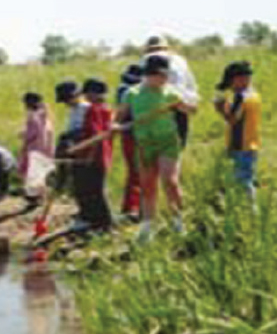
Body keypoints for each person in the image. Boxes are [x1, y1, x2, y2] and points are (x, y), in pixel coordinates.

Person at [119, 56, 197, 240]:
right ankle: (147, 226)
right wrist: (117, 126)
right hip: (145, 143)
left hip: (167, 141)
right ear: (149, 75)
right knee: (147, 185)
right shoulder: (131, 93)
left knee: (169, 181)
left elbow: (190, 110)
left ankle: (178, 222)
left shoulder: (171, 93)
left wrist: (188, 106)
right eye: (160, 76)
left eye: (165, 76)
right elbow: (119, 116)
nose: (164, 80)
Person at [139, 35, 199, 148]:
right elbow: (191, 84)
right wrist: (192, 103)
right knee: (178, 145)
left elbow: (139, 86)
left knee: (156, 148)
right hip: (180, 104)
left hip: (155, 106)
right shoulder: (180, 60)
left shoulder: (145, 60)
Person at [213, 61, 261, 200]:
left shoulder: (241, 97)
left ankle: (250, 212)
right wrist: (228, 105)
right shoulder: (253, 95)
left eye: (230, 84)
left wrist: (221, 108)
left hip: (241, 147)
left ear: (239, 79)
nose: (231, 89)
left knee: (243, 182)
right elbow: (241, 115)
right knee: (245, 178)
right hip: (251, 144)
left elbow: (233, 120)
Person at [72, 78, 114, 231]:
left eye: (88, 94)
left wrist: (88, 155)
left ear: (94, 94)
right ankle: (99, 222)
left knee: (94, 191)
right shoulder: (107, 108)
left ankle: (103, 224)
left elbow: (95, 135)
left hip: (95, 155)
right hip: (104, 154)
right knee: (97, 189)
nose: (86, 98)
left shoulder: (94, 110)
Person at [54, 81, 90, 227]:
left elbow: (88, 131)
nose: (66, 103)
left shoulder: (86, 108)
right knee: (77, 184)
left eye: (67, 99)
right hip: (74, 152)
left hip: (87, 151)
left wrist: (71, 135)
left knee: (86, 185)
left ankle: (88, 214)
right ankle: (82, 211)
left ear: (76, 95)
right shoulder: (73, 110)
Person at [116, 65, 144, 220]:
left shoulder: (126, 91)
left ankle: (133, 208)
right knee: (135, 172)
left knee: (137, 172)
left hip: (134, 134)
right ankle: (132, 208)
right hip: (131, 134)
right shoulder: (126, 92)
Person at [18, 92, 55, 208]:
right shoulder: (45, 115)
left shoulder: (33, 115)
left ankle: (34, 200)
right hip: (44, 149)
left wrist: (23, 135)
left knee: (32, 175)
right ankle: (40, 198)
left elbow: (33, 133)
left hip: (34, 149)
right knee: (39, 175)